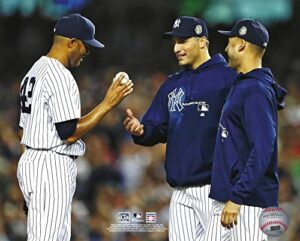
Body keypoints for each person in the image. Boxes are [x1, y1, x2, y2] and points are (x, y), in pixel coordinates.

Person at [17, 13, 133, 241]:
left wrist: (30, 183)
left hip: (32, 161)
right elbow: (68, 134)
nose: (87, 52)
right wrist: (107, 103)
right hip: (50, 165)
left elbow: (24, 131)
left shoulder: (34, 71)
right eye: (85, 46)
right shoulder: (60, 75)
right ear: (71, 42)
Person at [123, 16, 237, 241]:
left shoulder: (228, 77)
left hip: (216, 190)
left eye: (184, 41)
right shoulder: (172, 84)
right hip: (180, 192)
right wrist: (141, 130)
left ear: (203, 42)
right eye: (175, 42)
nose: (177, 48)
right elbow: (156, 127)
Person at [204, 19, 287, 241]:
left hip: (246, 205)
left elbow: (263, 148)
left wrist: (237, 197)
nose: (225, 48)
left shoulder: (255, 90)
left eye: (230, 42)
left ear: (241, 45)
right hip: (235, 200)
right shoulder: (246, 84)